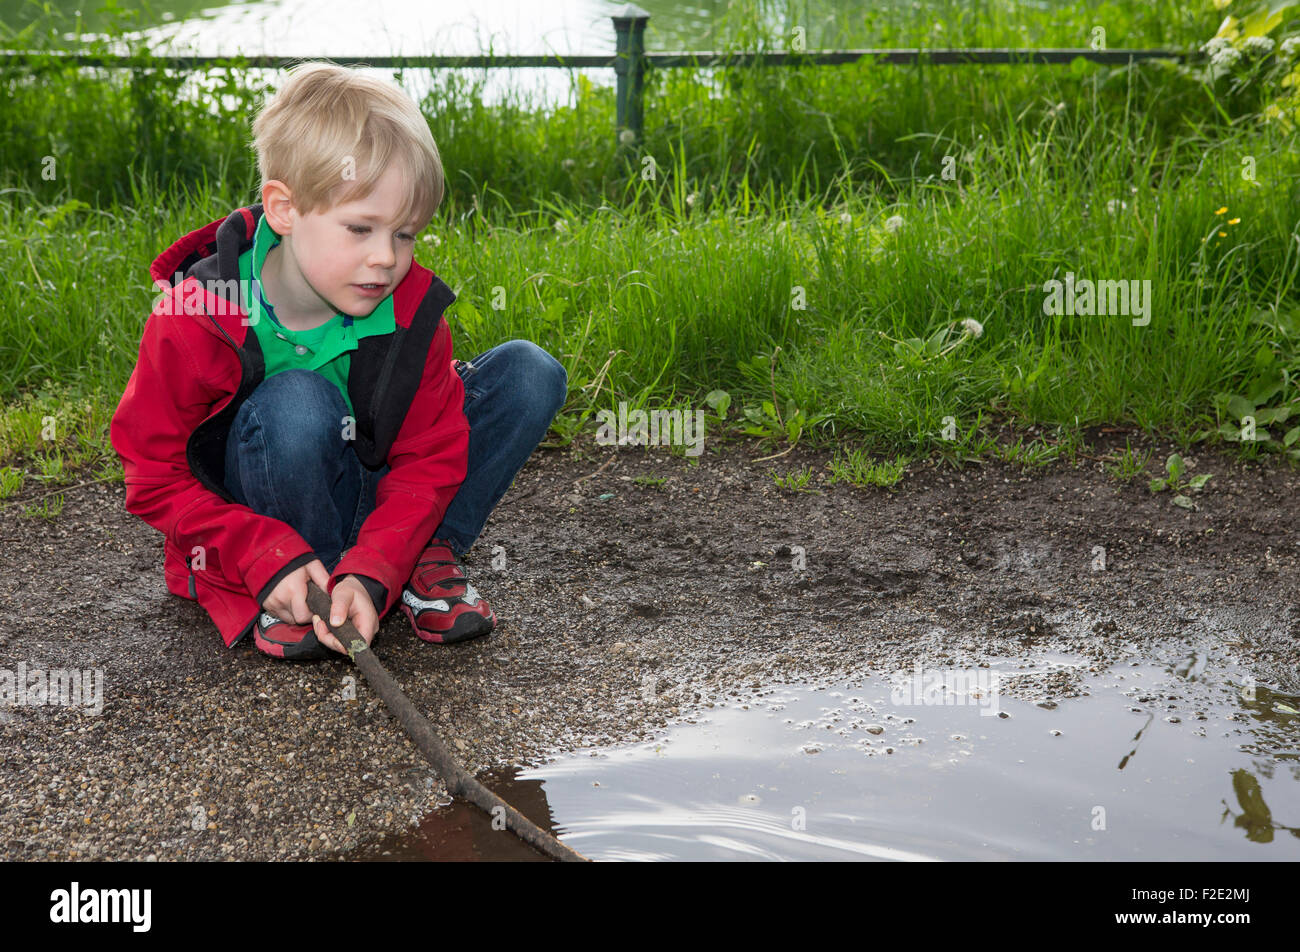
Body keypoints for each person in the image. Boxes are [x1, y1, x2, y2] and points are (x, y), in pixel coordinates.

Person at [110, 61, 566, 660]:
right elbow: (155, 477)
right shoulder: (194, 315)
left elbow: (429, 455)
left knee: (529, 373)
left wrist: (377, 564)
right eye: (361, 228)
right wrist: (256, 553)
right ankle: (308, 581)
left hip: (372, 492)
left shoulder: (409, 308)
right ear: (284, 209)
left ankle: (415, 551)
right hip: (263, 521)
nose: (386, 258)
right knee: (299, 400)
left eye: (405, 234)